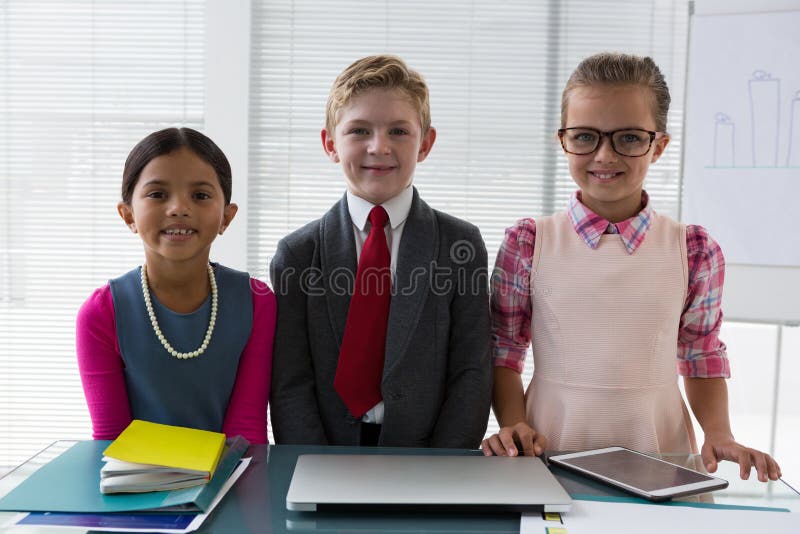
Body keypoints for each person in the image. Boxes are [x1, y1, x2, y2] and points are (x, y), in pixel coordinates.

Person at [482, 52, 781, 482]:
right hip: (547, 447)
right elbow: (505, 350)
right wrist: (512, 424)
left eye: (628, 138)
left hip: (660, 449)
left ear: (658, 146)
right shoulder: (527, 242)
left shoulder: (694, 249)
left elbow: (700, 353)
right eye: (585, 137)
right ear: (562, 139)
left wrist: (719, 432)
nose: (604, 155)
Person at [269, 54, 492, 448]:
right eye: (359, 131)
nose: (379, 146)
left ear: (425, 143)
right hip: (325, 457)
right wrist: (311, 464)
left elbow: (471, 371)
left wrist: (446, 468)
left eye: (398, 131)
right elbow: (291, 383)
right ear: (330, 144)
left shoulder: (460, 245)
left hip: (428, 460)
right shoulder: (297, 255)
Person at [76, 127, 275, 444]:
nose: (179, 208)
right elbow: (111, 439)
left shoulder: (257, 302)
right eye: (157, 194)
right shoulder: (101, 313)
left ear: (226, 217)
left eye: (200, 195)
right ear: (128, 215)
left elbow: (246, 432)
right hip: (135, 486)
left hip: (229, 483)